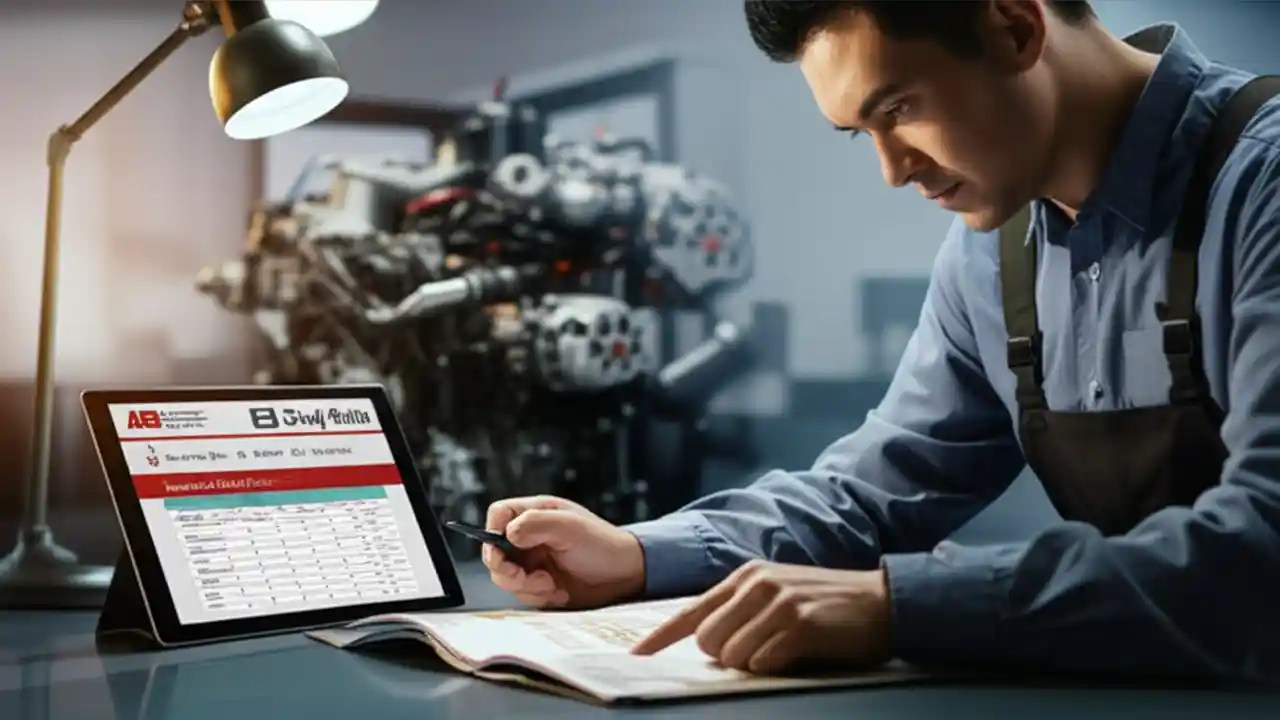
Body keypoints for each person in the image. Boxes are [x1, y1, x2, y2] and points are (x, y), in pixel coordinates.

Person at [482, 0, 1280, 684]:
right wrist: (637, 554)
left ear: (1011, 25)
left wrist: (900, 606)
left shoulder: (1263, 185)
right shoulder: (989, 253)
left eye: (898, 108)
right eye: (857, 131)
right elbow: (872, 495)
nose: (894, 171)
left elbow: (1263, 548)